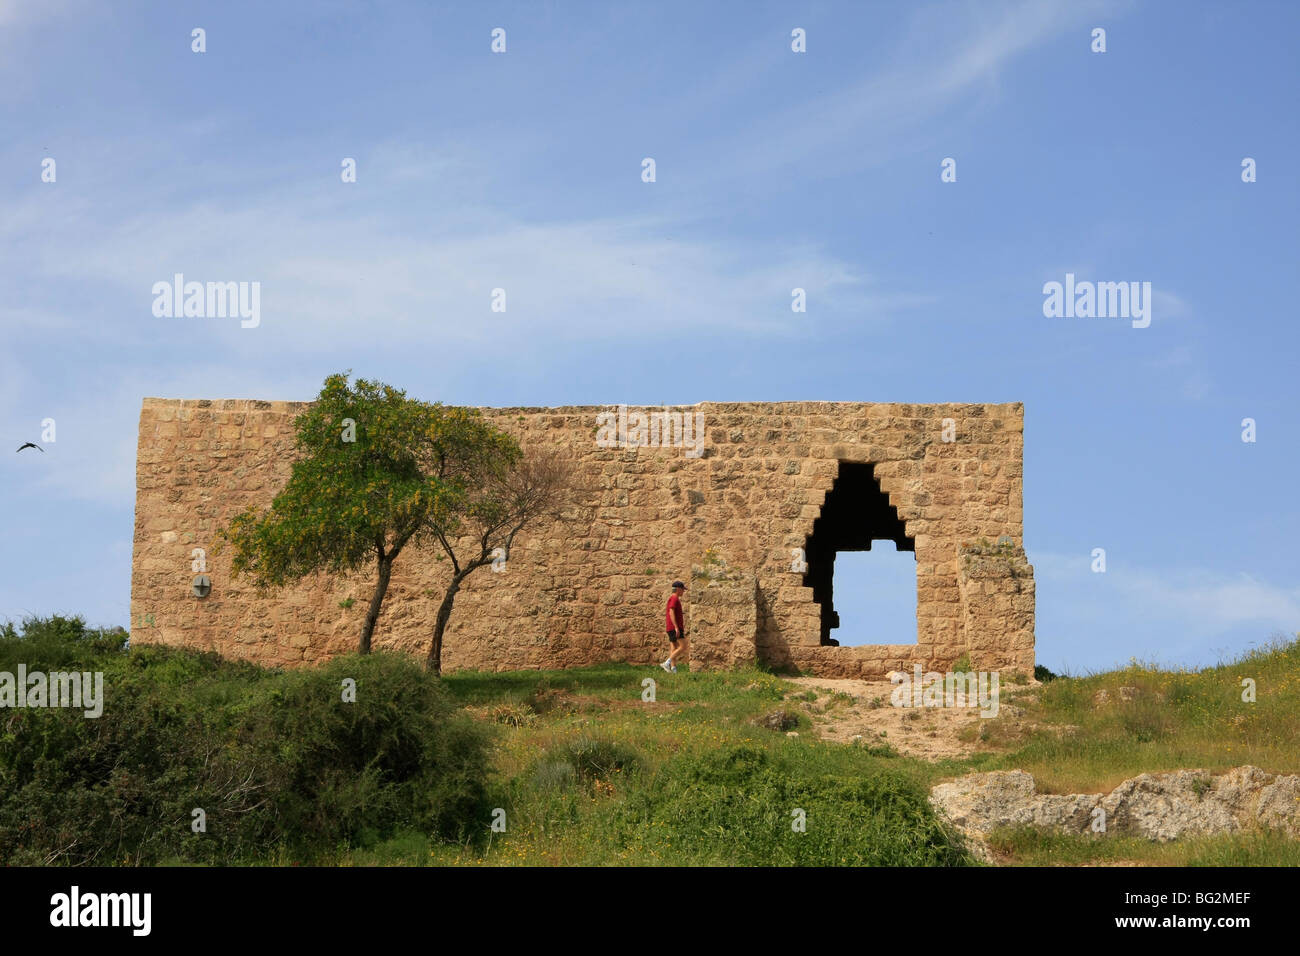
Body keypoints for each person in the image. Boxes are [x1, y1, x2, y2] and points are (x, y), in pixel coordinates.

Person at [661, 580, 688, 673]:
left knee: (674, 646)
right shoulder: (674, 598)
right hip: (674, 627)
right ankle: (667, 663)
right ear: (678, 589)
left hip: (670, 627)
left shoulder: (673, 598)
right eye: (682, 589)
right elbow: (671, 612)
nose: (683, 591)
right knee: (683, 646)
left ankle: (673, 669)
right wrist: (676, 627)